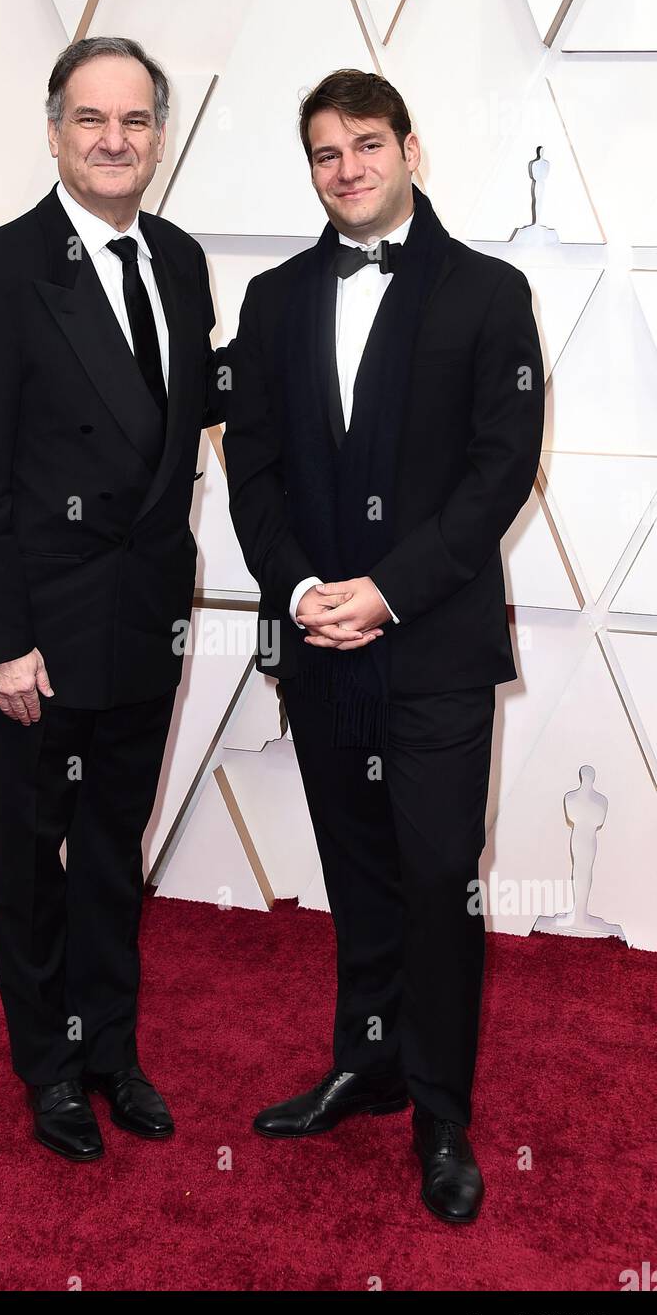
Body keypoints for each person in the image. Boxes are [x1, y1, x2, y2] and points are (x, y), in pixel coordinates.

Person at [223, 70, 544, 1223]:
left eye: (365, 144)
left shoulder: (488, 291)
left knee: (436, 882)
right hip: (320, 643)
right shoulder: (271, 299)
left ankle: (441, 1112)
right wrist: (306, 586)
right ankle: (365, 1061)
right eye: (323, 152)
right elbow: (248, 466)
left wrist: (387, 592)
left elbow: (498, 470)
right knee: (357, 871)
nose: (346, 167)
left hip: (435, 646)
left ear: (409, 146)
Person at [0, 37, 230, 1163]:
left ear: (159, 135)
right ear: (53, 131)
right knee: (32, 857)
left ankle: (110, 1049)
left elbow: (188, 407)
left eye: (136, 120)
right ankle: (47, 1066)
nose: (114, 139)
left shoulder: (183, 261)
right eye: (92, 119)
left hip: (146, 615)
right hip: (40, 636)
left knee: (112, 847)